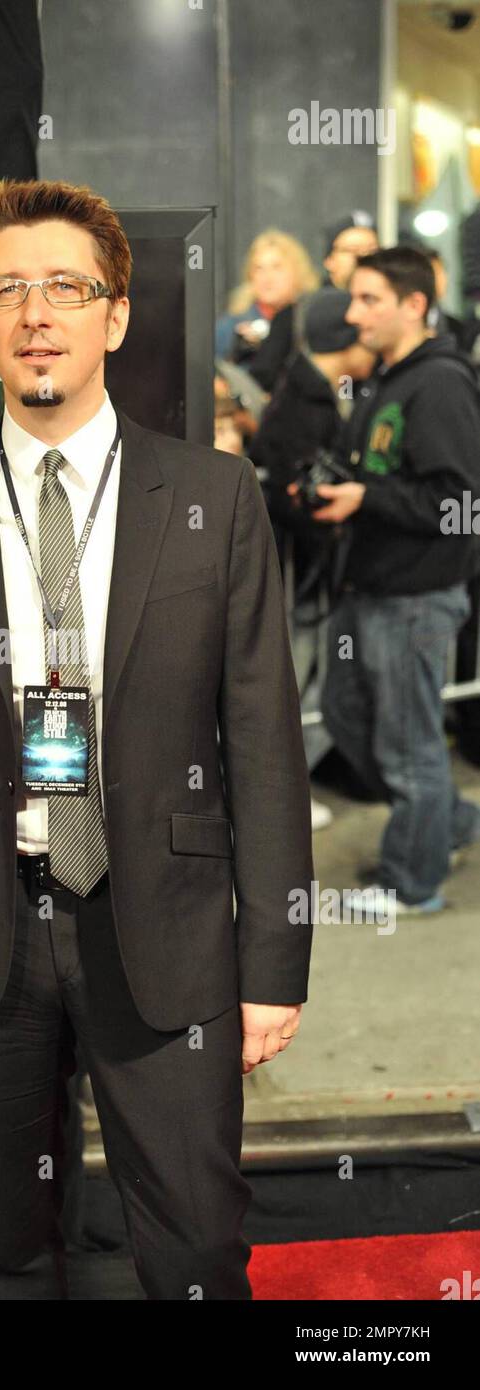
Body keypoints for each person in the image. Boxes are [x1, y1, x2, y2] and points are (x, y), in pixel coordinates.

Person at [0, 177, 314, 1301]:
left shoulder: (212, 495)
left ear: (113, 315)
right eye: (6, 289)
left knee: (196, 1241)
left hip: (164, 921)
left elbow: (260, 739)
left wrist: (273, 963)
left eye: (64, 285)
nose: (34, 312)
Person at [297, 247, 480, 914]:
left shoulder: (440, 384)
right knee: (350, 718)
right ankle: (447, 824)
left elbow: (459, 501)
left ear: (412, 303)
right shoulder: (388, 378)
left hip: (413, 597)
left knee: (407, 744)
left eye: (368, 299)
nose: (351, 313)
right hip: (369, 591)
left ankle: (413, 881)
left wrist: (362, 499)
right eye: (352, 298)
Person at [250, 289, 376, 825]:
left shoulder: (312, 389)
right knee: (291, 683)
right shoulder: (308, 400)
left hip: (302, 566)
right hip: (295, 565)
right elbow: (282, 487)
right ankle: (275, 798)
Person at [215, 229, 319, 390]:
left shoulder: (313, 323)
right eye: (259, 269)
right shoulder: (229, 328)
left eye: (277, 267)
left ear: (298, 273)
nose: (267, 277)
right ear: (250, 276)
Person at [321, 213, 378, 291]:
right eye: (353, 250)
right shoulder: (316, 301)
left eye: (372, 251)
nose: (364, 256)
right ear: (329, 260)